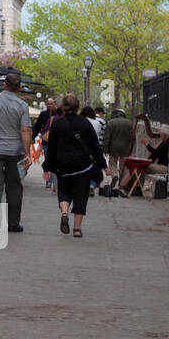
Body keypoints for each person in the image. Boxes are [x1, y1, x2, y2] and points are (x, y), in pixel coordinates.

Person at [44, 94, 108, 237]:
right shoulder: (85, 123)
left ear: (63, 106)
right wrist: (104, 165)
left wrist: (46, 167)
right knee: (81, 195)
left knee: (64, 191)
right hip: (82, 166)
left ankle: (65, 212)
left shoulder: (58, 123)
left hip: (63, 166)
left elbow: (51, 147)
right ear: (77, 106)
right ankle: (77, 229)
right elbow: (95, 146)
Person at [0, 71, 33, 233]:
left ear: (4, 84)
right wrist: (27, 153)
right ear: (18, 88)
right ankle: (13, 222)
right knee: (15, 186)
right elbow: (25, 130)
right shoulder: (22, 106)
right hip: (15, 151)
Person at [103, 108, 133, 188]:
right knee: (123, 165)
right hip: (125, 147)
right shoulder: (129, 123)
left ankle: (114, 175)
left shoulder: (110, 123)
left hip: (113, 148)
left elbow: (106, 138)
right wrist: (131, 148)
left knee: (112, 163)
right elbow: (132, 137)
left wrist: (105, 149)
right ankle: (121, 183)